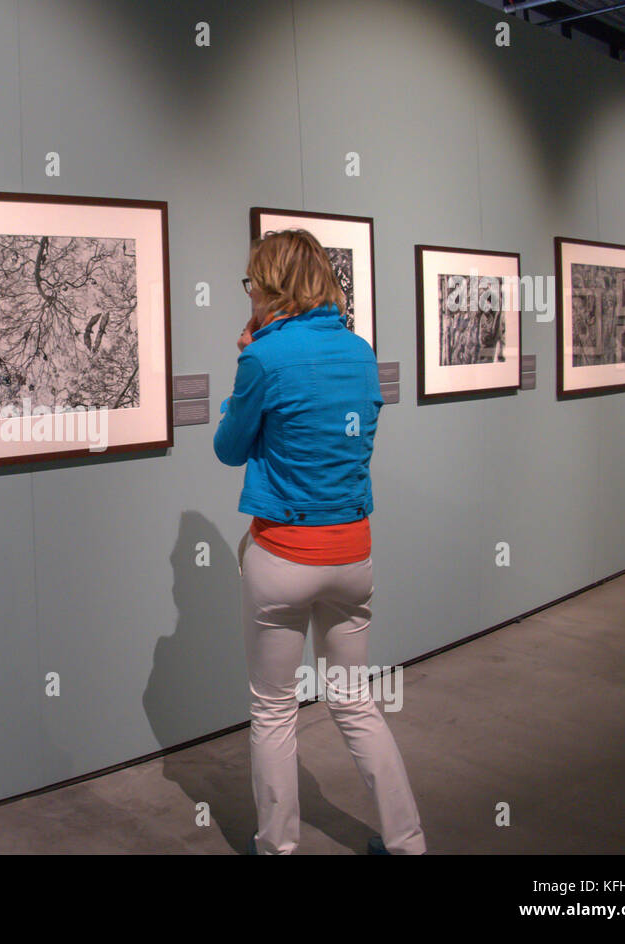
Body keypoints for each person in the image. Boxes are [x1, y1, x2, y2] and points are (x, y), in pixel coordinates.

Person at [213, 229, 426, 856]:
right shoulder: (361, 353)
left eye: (253, 281)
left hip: (283, 555)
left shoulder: (263, 358)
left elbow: (230, 448)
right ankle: (408, 841)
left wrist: (244, 366)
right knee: (355, 700)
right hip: (352, 554)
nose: (249, 292)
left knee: (274, 712)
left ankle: (278, 848)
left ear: (274, 287)